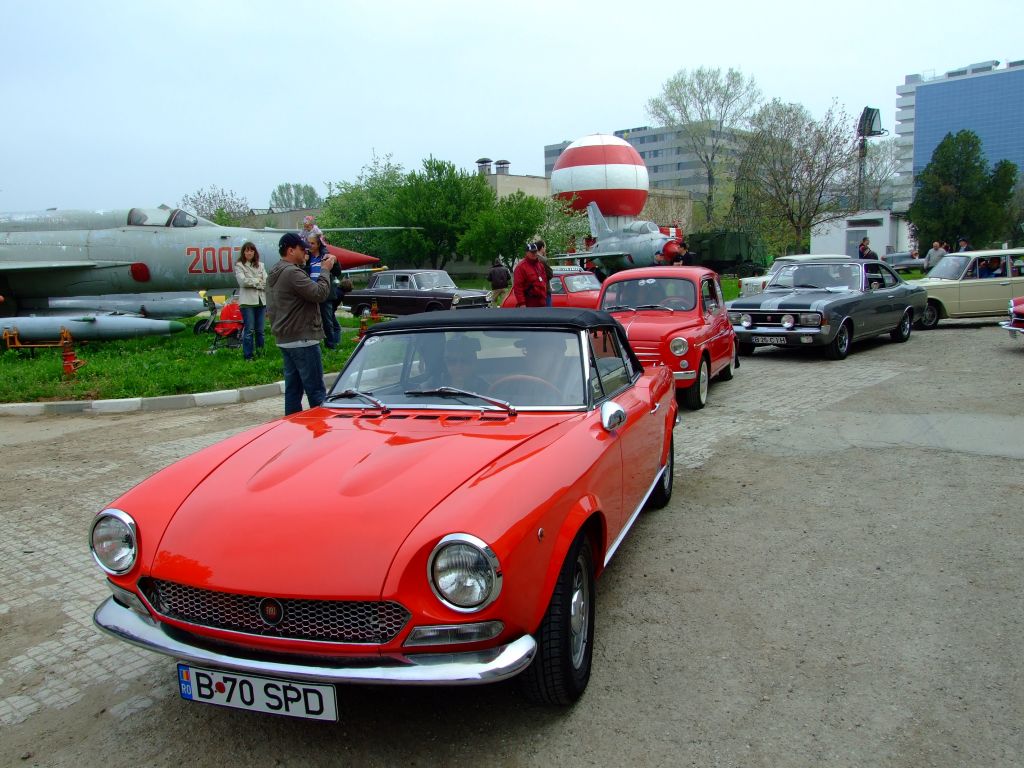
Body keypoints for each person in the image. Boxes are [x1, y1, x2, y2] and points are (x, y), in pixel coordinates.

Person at [267, 232, 335, 415]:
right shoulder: (292, 272)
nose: (306, 252)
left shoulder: (275, 271)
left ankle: (292, 430)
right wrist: (325, 269)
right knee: (316, 391)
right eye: (301, 249)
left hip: (285, 338)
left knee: (293, 390)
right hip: (303, 338)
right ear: (290, 250)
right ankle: (322, 433)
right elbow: (319, 293)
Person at [234, 242, 268, 361]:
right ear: (243, 252)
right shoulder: (239, 265)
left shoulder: (261, 265)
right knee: (249, 330)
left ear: (255, 252)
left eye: (251, 251)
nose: (249, 253)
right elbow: (242, 282)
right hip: (247, 302)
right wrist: (258, 282)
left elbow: (267, 281)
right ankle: (248, 356)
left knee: (260, 331)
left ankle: (260, 353)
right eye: (247, 251)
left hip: (261, 301)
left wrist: (254, 282)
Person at [307, 233, 341, 349]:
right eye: (309, 243)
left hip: (325, 293)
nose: (310, 245)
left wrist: (335, 261)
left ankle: (331, 345)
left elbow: (337, 272)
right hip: (312, 292)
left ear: (318, 244)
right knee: (312, 320)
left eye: (312, 243)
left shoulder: (326, 256)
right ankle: (314, 344)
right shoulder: (307, 257)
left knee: (327, 321)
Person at [513, 240, 549, 307]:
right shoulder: (521, 267)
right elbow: (518, 287)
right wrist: (522, 303)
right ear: (527, 253)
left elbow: (544, 280)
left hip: (541, 302)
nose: (534, 254)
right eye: (532, 252)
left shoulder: (540, 265)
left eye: (535, 251)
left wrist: (544, 296)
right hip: (529, 302)